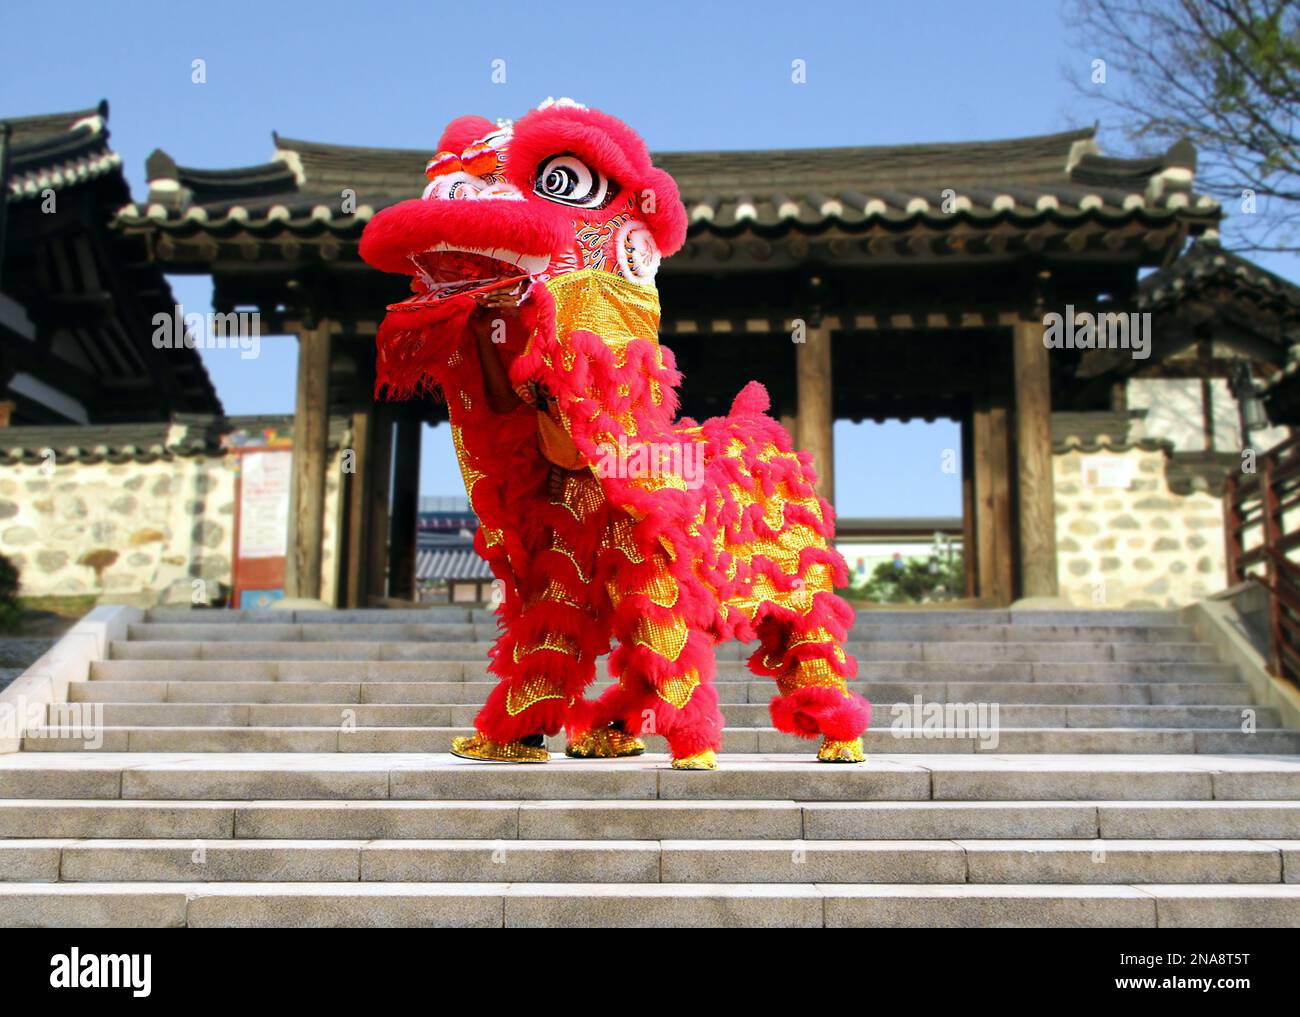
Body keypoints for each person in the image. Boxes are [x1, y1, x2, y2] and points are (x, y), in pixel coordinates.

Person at [359, 99, 871, 768]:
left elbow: (596, 375)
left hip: (644, 462)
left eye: (560, 180)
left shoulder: (608, 291)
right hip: (569, 473)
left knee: (675, 577)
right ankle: (532, 719)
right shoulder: (523, 329)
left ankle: (766, 719)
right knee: (556, 591)